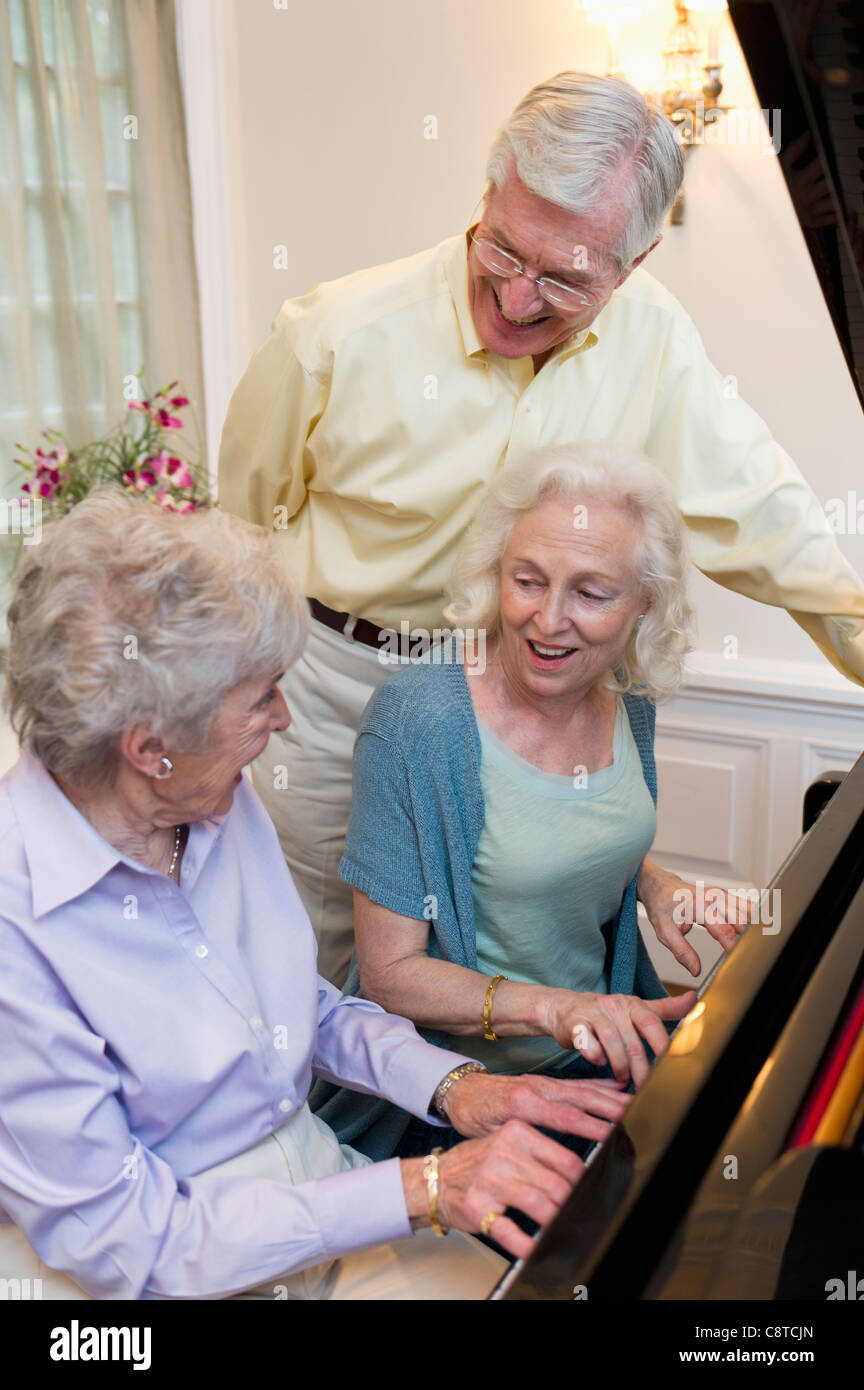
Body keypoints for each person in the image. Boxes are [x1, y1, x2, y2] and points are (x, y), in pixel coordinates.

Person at [218, 70, 864, 988]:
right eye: (505, 252)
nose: (520, 301)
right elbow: (245, 523)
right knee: (328, 968)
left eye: (567, 278)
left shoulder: (656, 338)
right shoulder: (334, 332)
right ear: (486, 196)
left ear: (633, 265)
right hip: (342, 690)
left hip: (522, 696)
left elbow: (765, 516)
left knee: (508, 960)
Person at [0, 489, 634, 1301]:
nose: (286, 718)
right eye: (261, 697)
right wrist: (424, 1188)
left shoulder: (207, 798)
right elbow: (139, 1246)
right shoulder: (21, 927)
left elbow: (302, 1007)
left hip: (319, 1181)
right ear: (151, 748)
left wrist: (458, 1088)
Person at [313, 442, 748, 1158]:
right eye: (528, 581)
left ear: (643, 604)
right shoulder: (418, 721)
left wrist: (655, 883)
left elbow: (557, 831)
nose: (548, 620)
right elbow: (391, 977)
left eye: (591, 593)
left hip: (598, 1058)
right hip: (458, 1095)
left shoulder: (626, 695)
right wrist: (555, 1009)